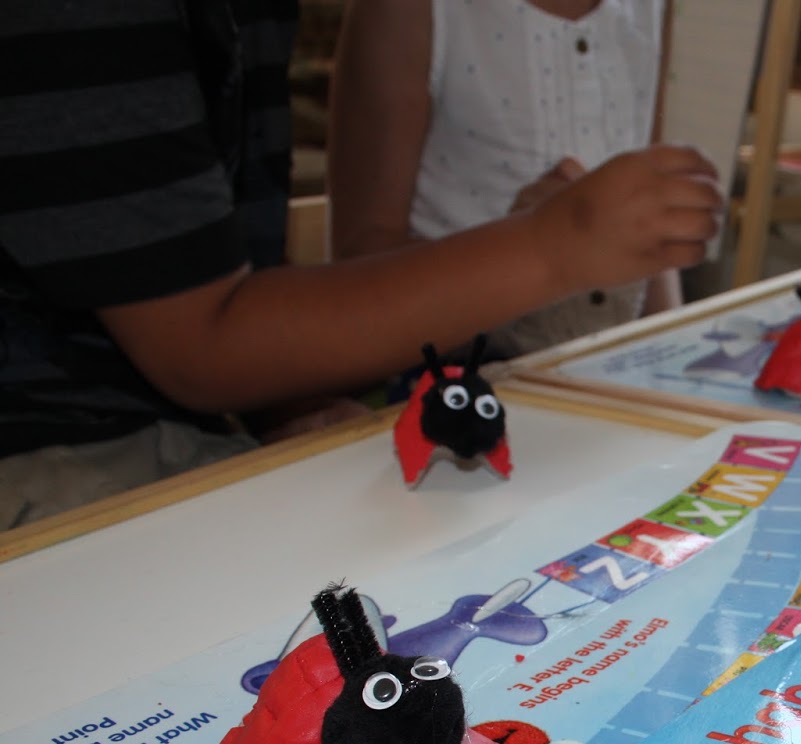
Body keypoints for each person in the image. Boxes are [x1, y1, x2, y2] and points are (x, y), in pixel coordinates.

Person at [0, 1, 720, 526]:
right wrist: (550, 243)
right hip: (61, 447)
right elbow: (202, 345)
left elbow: (217, 262)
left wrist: (282, 398)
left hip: (177, 422)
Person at [327, 0, 679, 359]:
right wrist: (531, 243)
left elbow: (654, 226)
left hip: (610, 376)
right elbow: (360, 265)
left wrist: (673, 355)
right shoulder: (411, 10)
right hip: (449, 382)